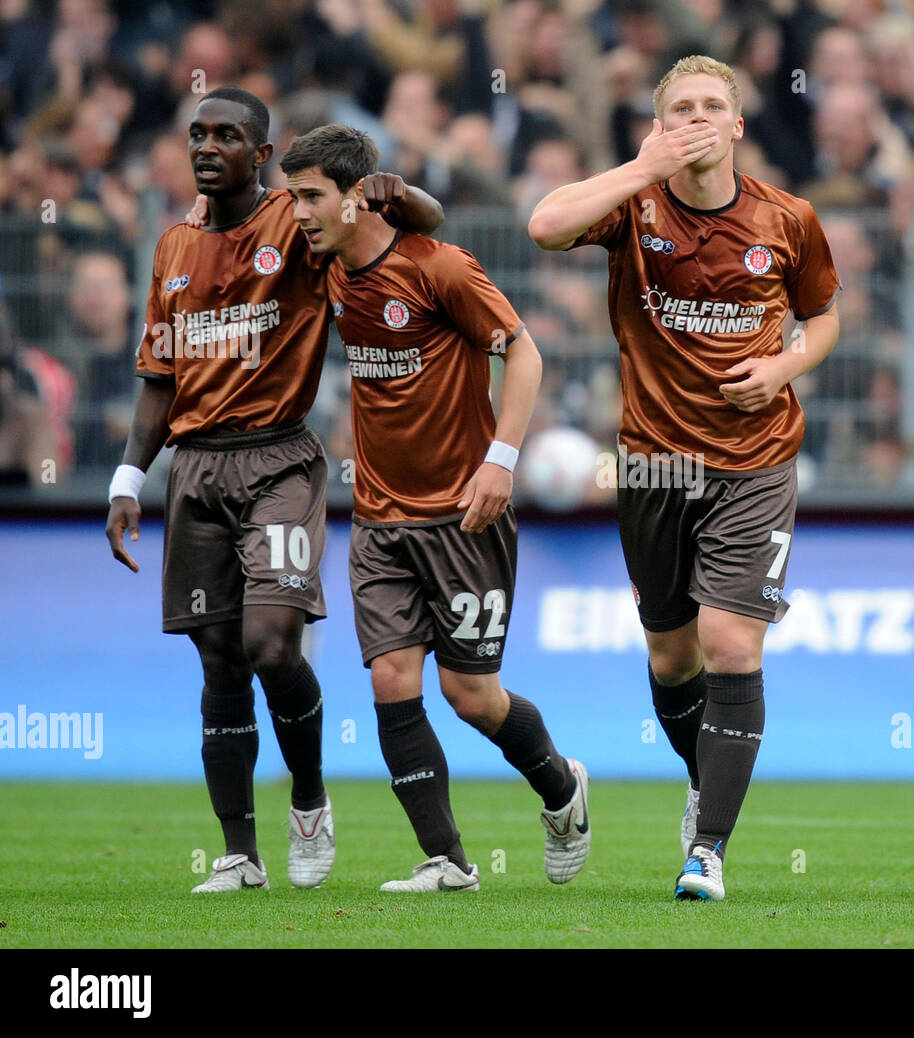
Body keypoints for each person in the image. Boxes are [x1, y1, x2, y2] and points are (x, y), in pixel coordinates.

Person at [105, 87, 444, 893]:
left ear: (261, 156)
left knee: (270, 642)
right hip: (194, 468)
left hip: (281, 461)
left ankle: (309, 798)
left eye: (227, 135)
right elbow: (158, 378)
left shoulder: (296, 224)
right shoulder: (171, 248)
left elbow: (417, 232)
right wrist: (128, 479)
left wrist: (401, 190)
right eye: (197, 133)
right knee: (220, 662)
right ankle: (239, 854)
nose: (207, 146)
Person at [529, 55, 840, 901]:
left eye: (712, 107)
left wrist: (786, 369)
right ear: (660, 126)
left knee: (731, 643)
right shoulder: (634, 205)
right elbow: (545, 226)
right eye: (680, 110)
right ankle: (704, 776)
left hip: (756, 459)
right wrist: (641, 167)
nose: (698, 119)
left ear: (739, 126)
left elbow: (822, 318)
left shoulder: (789, 218)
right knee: (672, 661)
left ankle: (707, 850)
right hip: (653, 464)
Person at [280, 124, 590, 893]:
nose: (298, 214)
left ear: (357, 197)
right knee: (391, 680)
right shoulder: (327, 273)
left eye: (311, 197)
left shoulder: (438, 268)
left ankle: (562, 790)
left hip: (465, 515)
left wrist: (501, 460)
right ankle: (447, 860)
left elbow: (525, 351)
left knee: (471, 695)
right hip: (380, 518)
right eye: (292, 198)